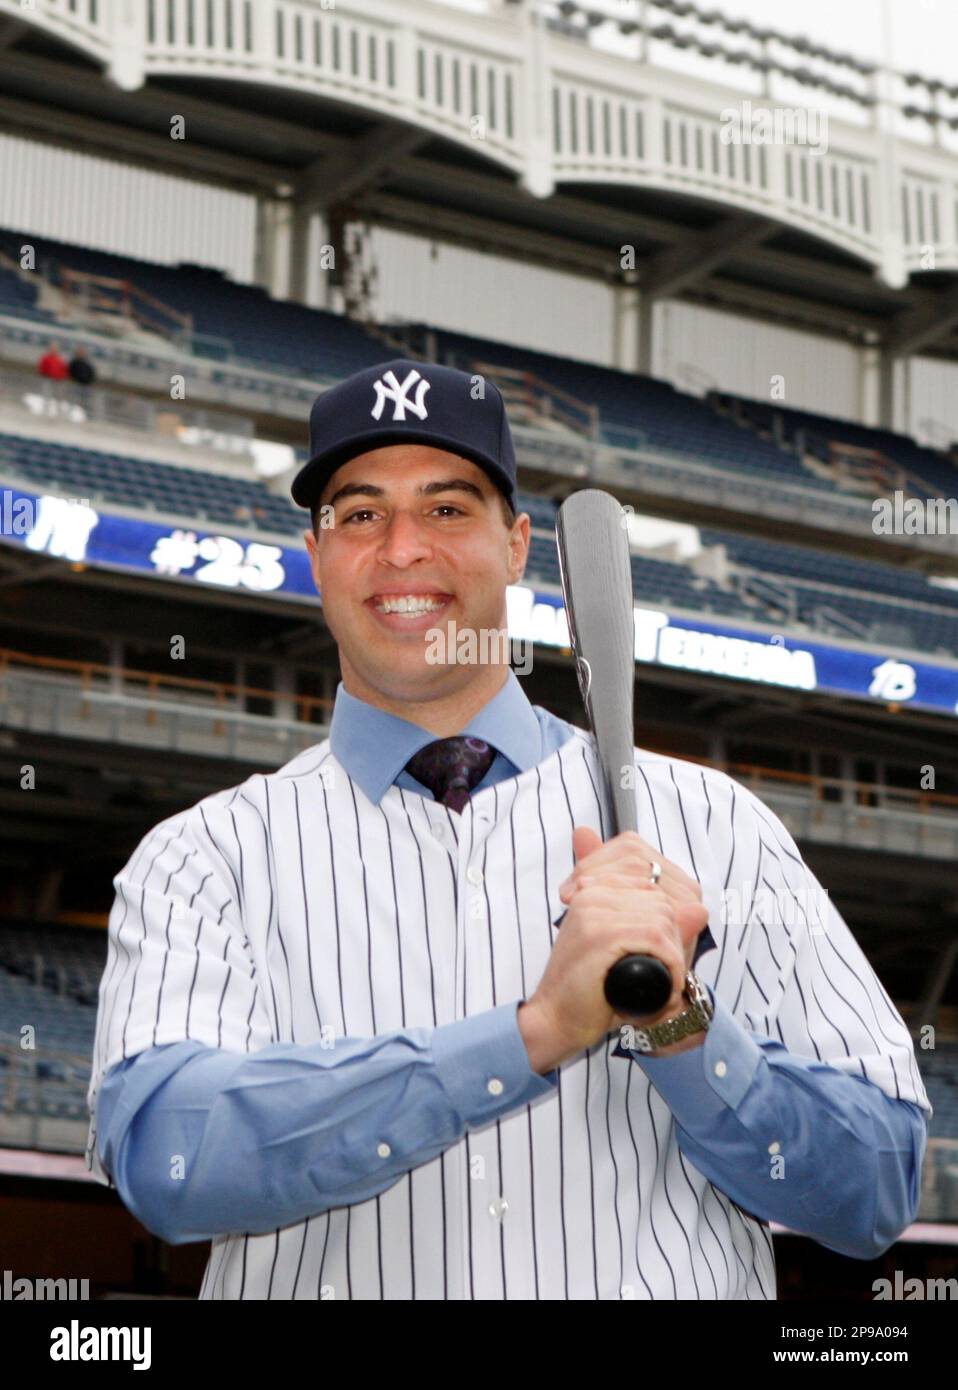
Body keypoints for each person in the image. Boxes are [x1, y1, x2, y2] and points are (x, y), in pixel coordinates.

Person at [85, 358, 931, 1300]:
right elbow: (168, 1159)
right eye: (360, 514)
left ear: (520, 543)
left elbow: (875, 1188)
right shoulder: (206, 855)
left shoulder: (716, 822)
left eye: (448, 509)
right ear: (316, 551)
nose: (403, 549)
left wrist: (683, 1028)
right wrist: (531, 1035)